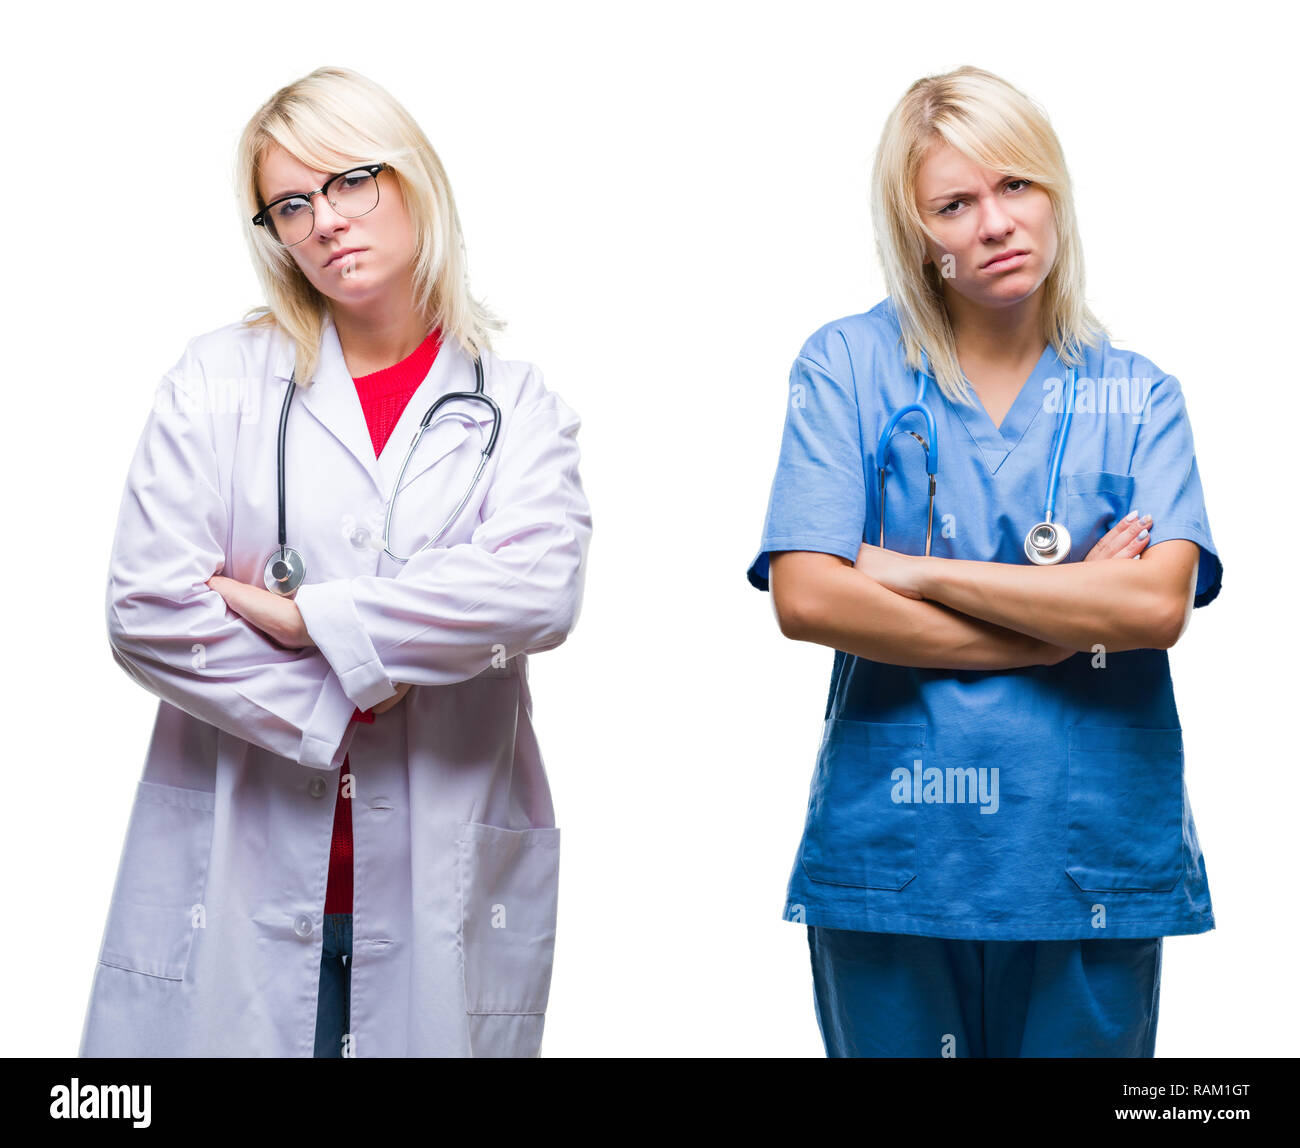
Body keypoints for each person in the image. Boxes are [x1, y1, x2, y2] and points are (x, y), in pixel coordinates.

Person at [78, 66, 592, 1058]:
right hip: (240, 869)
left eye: (350, 181)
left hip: (442, 872)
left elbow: (537, 588)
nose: (324, 221)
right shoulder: (216, 381)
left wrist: (310, 617)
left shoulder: (516, 403)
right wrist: (345, 696)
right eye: (291, 204)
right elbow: (147, 609)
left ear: (411, 179)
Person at [746, 66, 1222, 1058]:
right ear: (916, 233)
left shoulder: (1139, 396)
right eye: (953, 204)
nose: (993, 223)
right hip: (898, 859)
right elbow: (806, 593)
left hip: (1084, 858)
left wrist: (911, 571)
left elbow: (1152, 604)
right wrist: (1052, 623)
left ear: (1055, 195)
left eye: (1016, 187)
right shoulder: (846, 368)